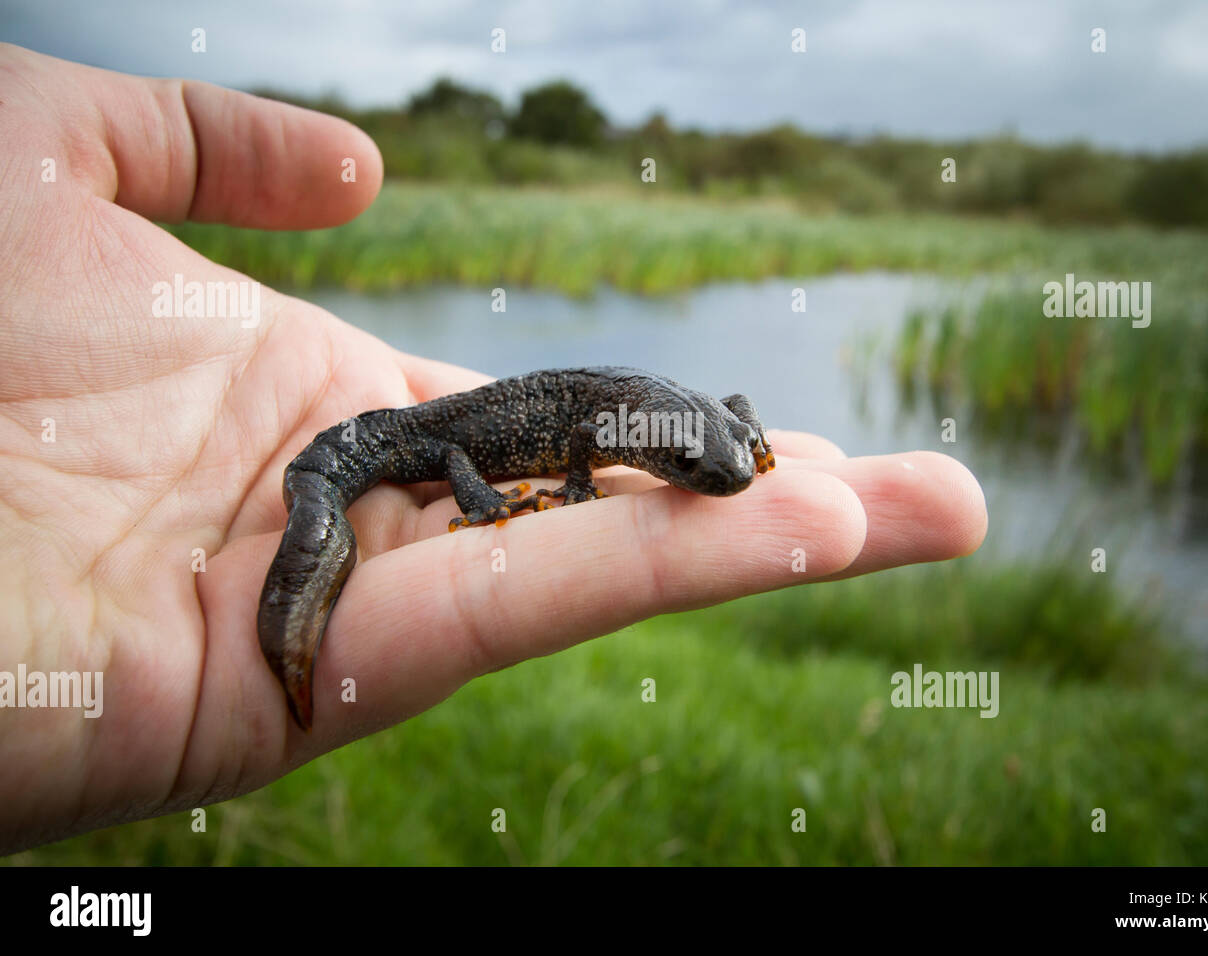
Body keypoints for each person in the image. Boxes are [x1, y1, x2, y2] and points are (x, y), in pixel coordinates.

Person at [0, 44, 987, 855]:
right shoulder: (588, 432)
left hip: (472, 422)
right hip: (423, 439)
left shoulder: (706, 424)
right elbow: (595, 436)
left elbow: (728, 405)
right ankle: (411, 534)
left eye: (718, 466)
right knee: (397, 476)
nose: (713, 479)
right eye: (699, 471)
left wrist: (746, 450)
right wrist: (520, 492)